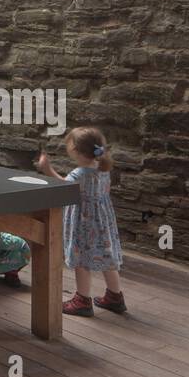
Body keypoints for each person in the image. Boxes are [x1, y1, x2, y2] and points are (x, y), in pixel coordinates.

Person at [37, 127, 125, 317]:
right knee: (107, 257)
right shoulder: (103, 168)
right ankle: (115, 297)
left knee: (81, 259)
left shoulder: (80, 173)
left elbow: (64, 188)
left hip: (84, 223)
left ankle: (82, 301)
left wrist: (47, 169)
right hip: (103, 221)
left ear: (75, 150)